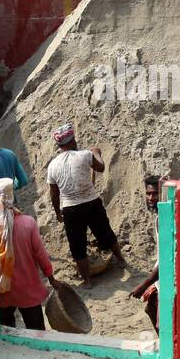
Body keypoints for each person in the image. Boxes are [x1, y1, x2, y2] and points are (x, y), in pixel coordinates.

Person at [46, 122, 125, 286]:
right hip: (91, 203)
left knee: (77, 246)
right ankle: (121, 260)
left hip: (70, 208)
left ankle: (87, 281)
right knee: (105, 232)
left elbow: (54, 193)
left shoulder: (52, 165)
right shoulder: (84, 155)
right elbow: (101, 168)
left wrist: (57, 213)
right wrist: (96, 153)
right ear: (73, 140)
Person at [0, 177, 60, 331]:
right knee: (36, 329)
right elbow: (41, 255)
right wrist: (51, 278)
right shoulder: (28, 222)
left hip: (1, 291)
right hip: (28, 289)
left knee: (6, 332)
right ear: (12, 197)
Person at [127, 175, 162, 333]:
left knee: (161, 323)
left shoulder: (165, 219)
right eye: (148, 194)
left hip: (169, 278)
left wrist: (143, 285)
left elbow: (168, 262)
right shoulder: (159, 217)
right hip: (162, 277)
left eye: (155, 194)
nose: (151, 198)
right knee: (151, 310)